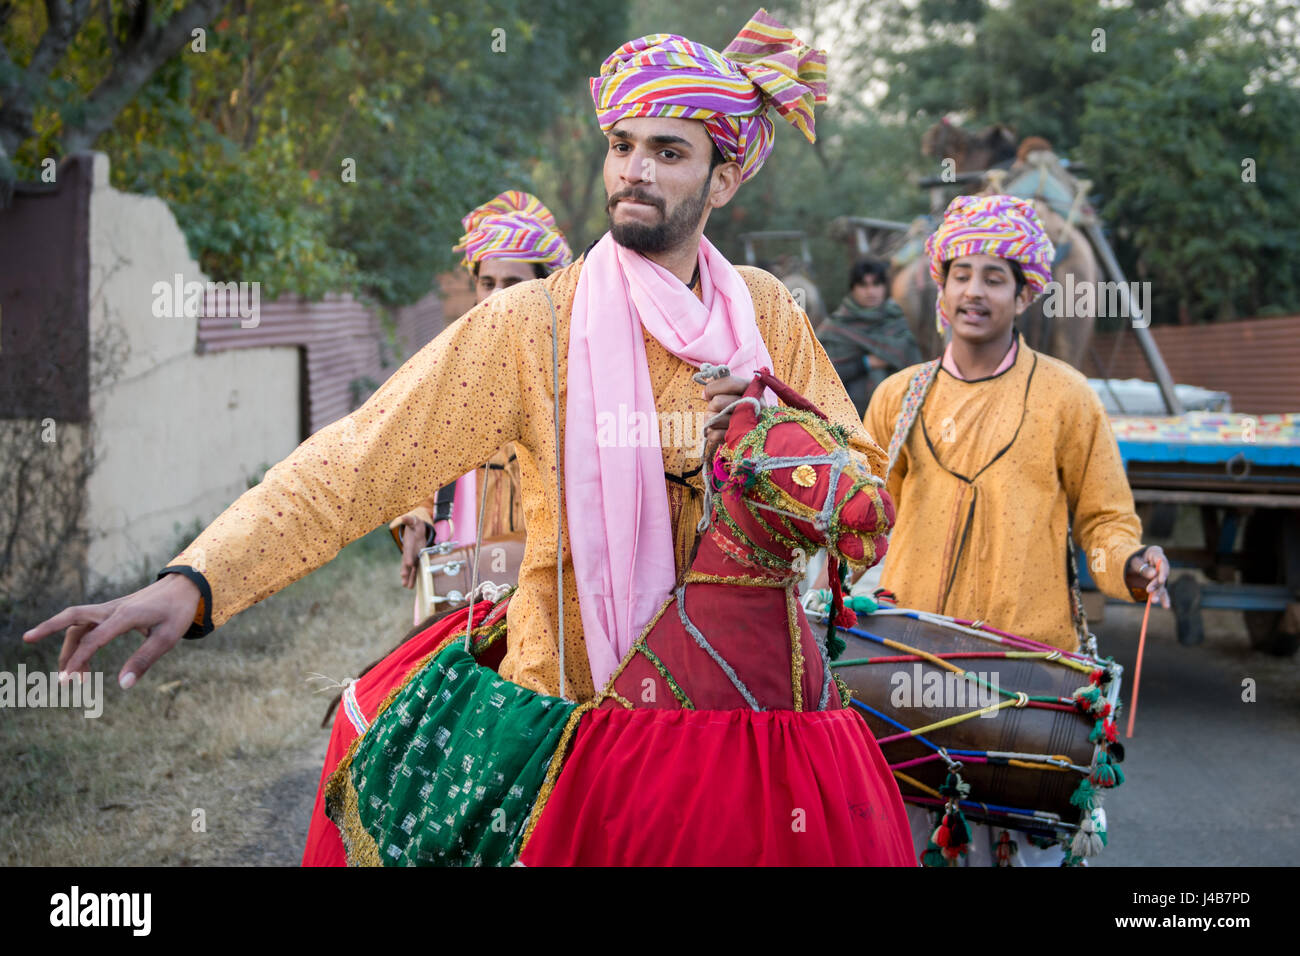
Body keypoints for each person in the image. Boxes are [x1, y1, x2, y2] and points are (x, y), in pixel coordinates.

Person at [26, 7, 912, 865]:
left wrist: (768, 439)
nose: (633, 171)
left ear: (722, 179)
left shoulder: (762, 313)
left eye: (668, 152)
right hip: (570, 724)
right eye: (621, 145)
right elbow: (359, 459)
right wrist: (198, 579)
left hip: (738, 735)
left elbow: (860, 483)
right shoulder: (533, 325)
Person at [862, 193, 1171, 865]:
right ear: (939, 286)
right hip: (907, 676)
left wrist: (1130, 563)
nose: (975, 291)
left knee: (1018, 851)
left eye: (995, 277)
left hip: (1029, 675)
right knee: (912, 846)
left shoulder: (1067, 397)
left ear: (1026, 293)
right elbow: (865, 521)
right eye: (961, 273)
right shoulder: (897, 397)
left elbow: (1104, 520)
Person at [390, 192, 571, 597]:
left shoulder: (573, 371)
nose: (496, 297)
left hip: (547, 579)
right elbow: (426, 458)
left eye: (512, 283)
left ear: (545, 287)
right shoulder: (449, 370)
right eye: (486, 283)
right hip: (462, 580)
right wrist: (417, 520)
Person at [817, 256, 920, 417]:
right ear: (853, 288)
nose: (870, 291)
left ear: (885, 288)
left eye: (876, 284)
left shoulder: (896, 321)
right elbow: (823, 375)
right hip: (852, 417)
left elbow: (916, 370)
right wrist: (865, 363)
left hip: (898, 414)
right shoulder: (835, 328)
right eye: (863, 285)